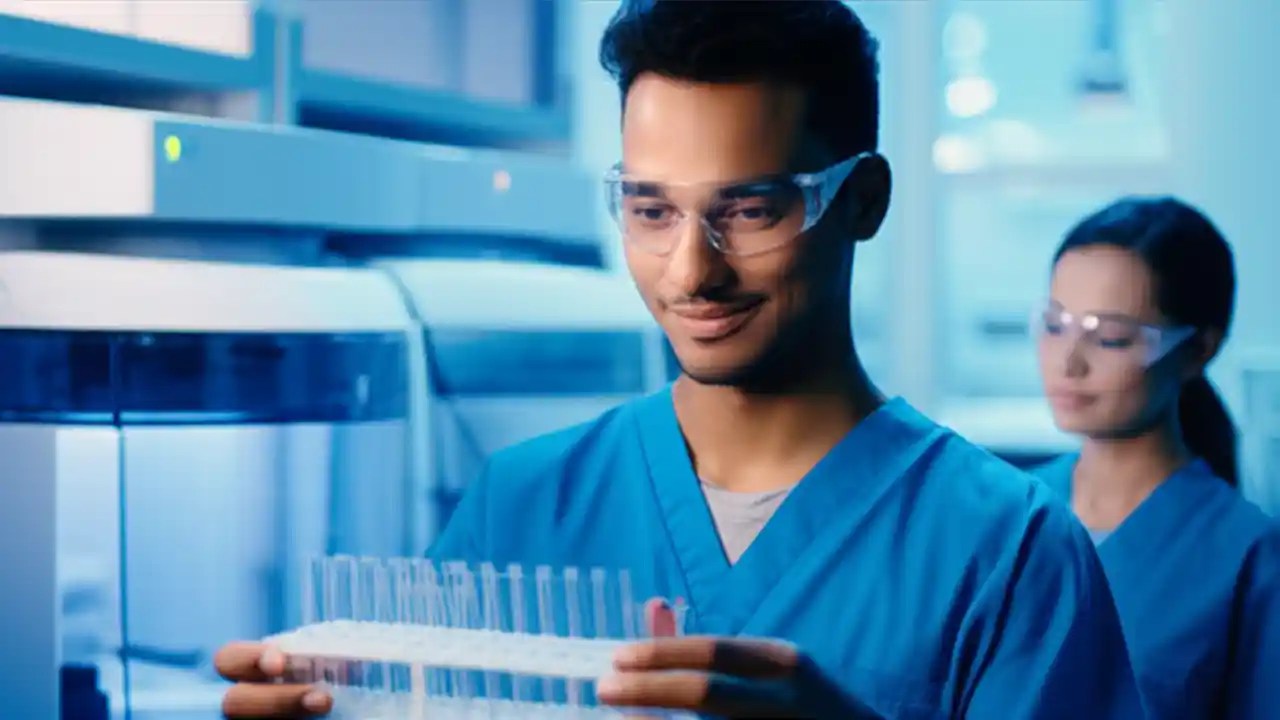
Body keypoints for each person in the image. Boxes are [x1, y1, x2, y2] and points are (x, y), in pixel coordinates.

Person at [215, 2, 1142, 718]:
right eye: (652, 211)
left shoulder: (1009, 553)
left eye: (748, 211)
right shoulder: (523, 507)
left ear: (862, 200)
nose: (692, 271)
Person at [1029, 196, 1280, 719]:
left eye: (1111, 338)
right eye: (1055, 325)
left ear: (1197, 351)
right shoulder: (1012, 513)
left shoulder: (1247, 557)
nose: (1068, 362)